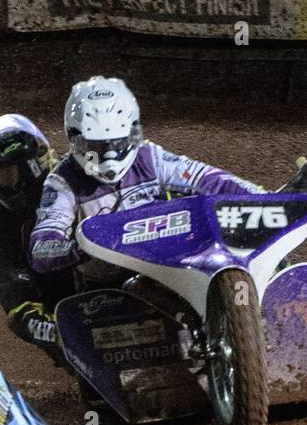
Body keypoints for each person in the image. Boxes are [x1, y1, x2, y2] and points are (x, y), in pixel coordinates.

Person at [30, 76, 265, 281]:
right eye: (97, 146)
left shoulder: (150, 157)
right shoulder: (62, 182)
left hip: (172, 267)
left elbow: (211, 180)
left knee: (228, 251)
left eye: (118, 143)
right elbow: (41, 248)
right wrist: (84, 247)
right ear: (75, 139)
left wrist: (270, 200)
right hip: (109, 285)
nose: (109, 155)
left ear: (133, 134)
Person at [0, 114, 70, 355]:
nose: (7, 185)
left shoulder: (82, 180)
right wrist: (64, 335)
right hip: (76, 325)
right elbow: (20, 310)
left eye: (11, 174)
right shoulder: (2, 235)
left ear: (34, 164)